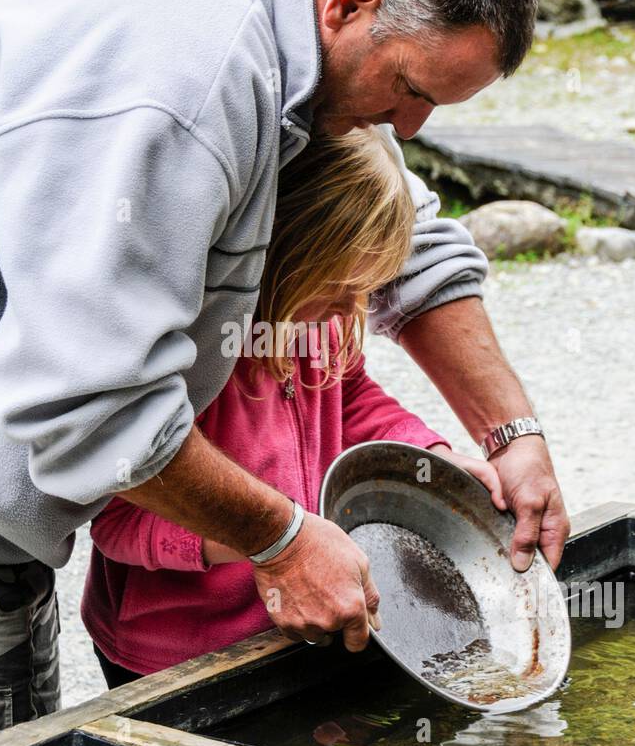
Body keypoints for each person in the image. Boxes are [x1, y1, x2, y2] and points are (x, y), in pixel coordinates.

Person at [0, 0, 568, 746]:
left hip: (3, 511)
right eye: (411, 90)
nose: (411, 129)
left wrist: (511, 436)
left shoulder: (297, 13)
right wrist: (283, 539)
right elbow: (90, 415)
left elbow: (410, 246)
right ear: (351, 5)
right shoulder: (186, 57)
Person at [83, 127, 506, 685]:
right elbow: (117, 517)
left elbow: (352, 397)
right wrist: (274, 537)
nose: (352, 307)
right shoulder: (189, 355)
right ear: (279, 251)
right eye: (338, 283)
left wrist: (428, 458)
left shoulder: (318, 322)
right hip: (178, 653)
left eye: (367, 286)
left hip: (305, 626)